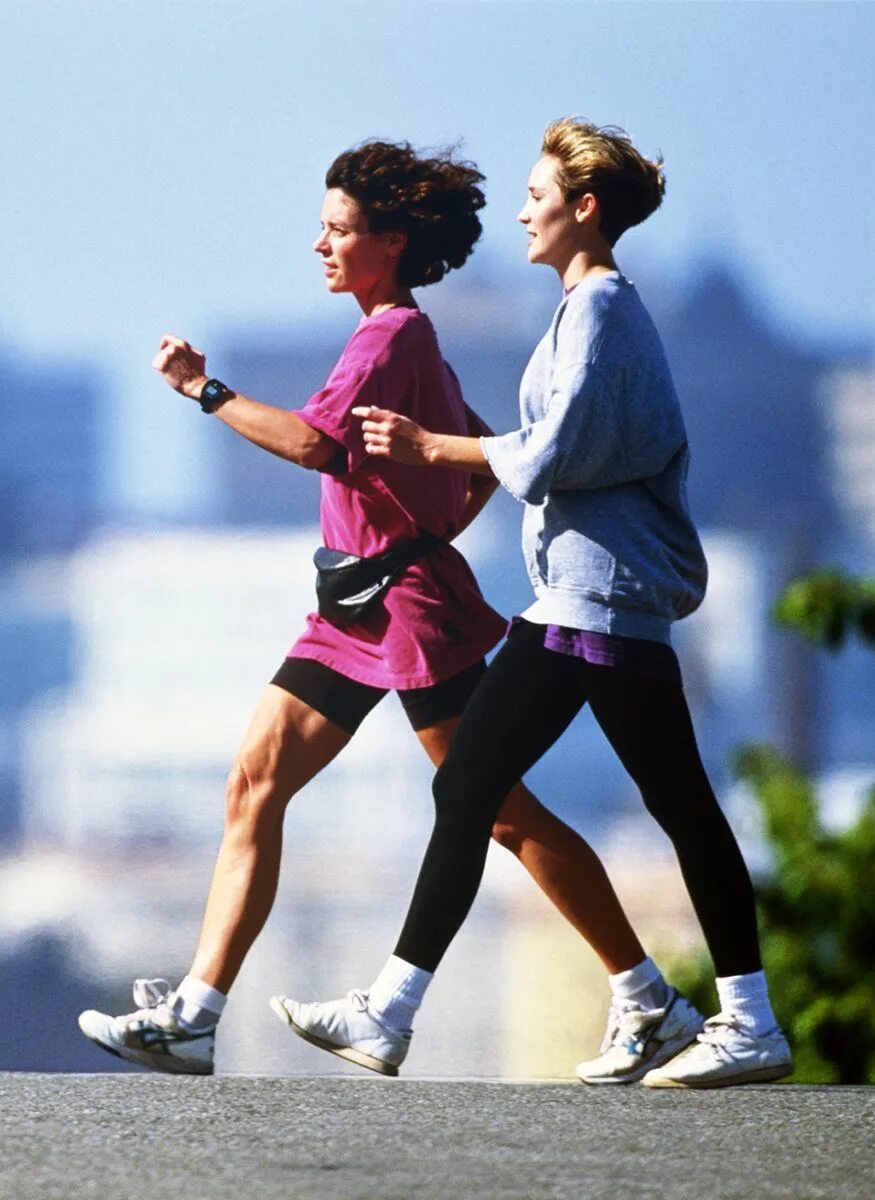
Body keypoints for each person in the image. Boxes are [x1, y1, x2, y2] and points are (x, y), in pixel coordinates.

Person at [77, 140, 697, 1081]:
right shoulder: (397, 337)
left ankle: (646, 994)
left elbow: (317, 446)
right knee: (254, 783)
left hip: (408, 612)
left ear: (392, 242)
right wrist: (429, 519)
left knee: (499, 812)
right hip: (350, 607)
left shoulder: (394, 336)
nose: (319, 246)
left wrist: (204, 391)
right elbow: (480, 449)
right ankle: (196, 1016)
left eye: (338, 231)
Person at [280, 118, 792, 1088]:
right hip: (588, 606)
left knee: (508, 789)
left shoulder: (600, 310)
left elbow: (550, 453)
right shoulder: (585, 310)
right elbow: (557, 444)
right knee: (604, 797)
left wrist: (434, 448)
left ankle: (402, 1012)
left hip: (593, 608)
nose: (522, 209)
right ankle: (680, 1009)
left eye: (538, 193)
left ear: (584, 209)